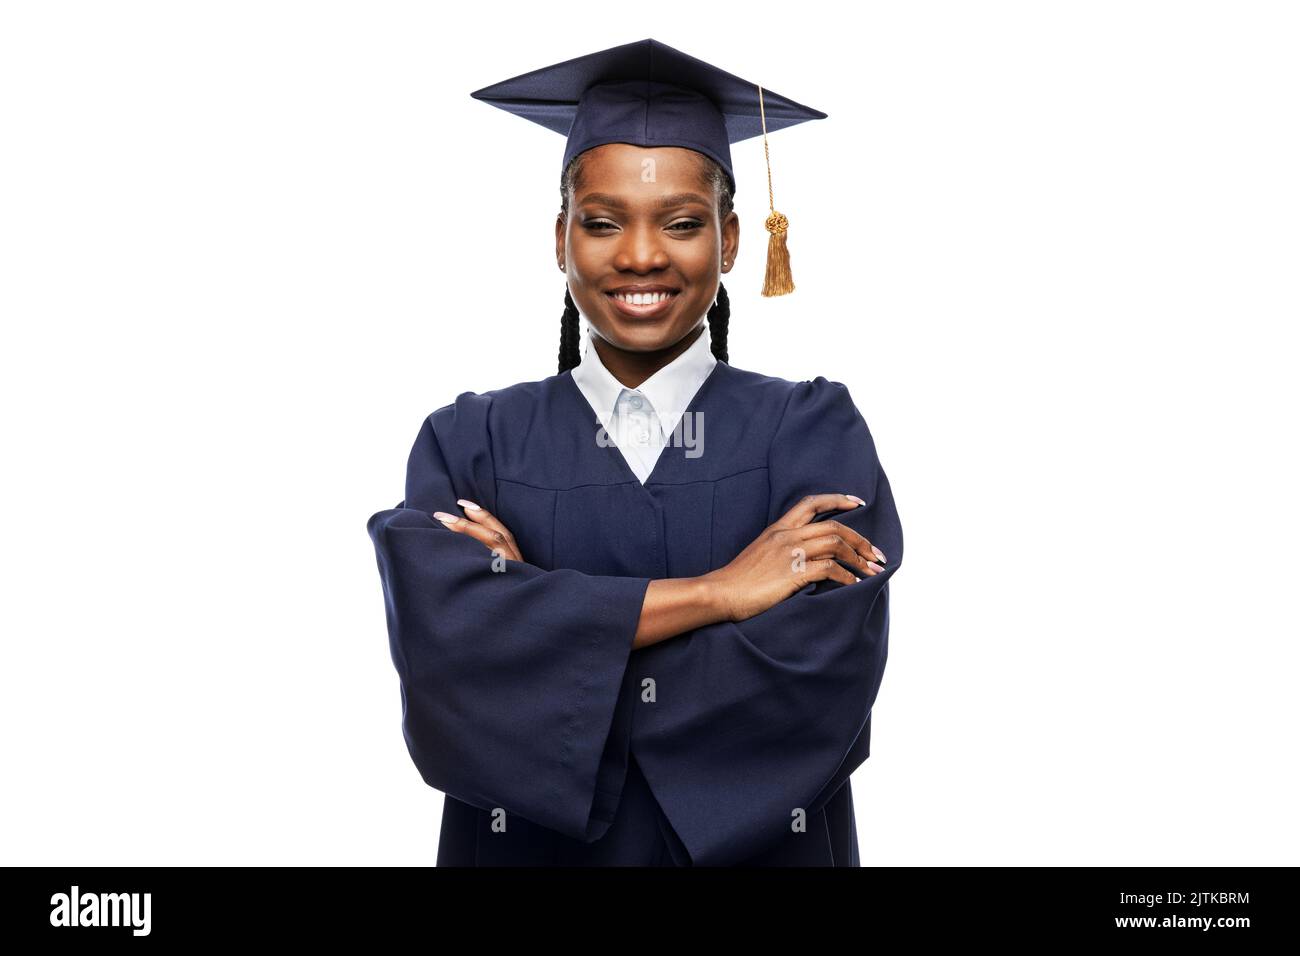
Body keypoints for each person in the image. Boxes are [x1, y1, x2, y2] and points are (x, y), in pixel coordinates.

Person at [367, 37, 904, 866]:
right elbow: (451, 687)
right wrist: (722, 595)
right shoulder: (468, 443)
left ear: (729, 239)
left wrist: (535, 636)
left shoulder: (809, 432)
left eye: (683, 224)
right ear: (560, 240)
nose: (642, 255)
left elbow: (817, 691)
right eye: (603, 222)